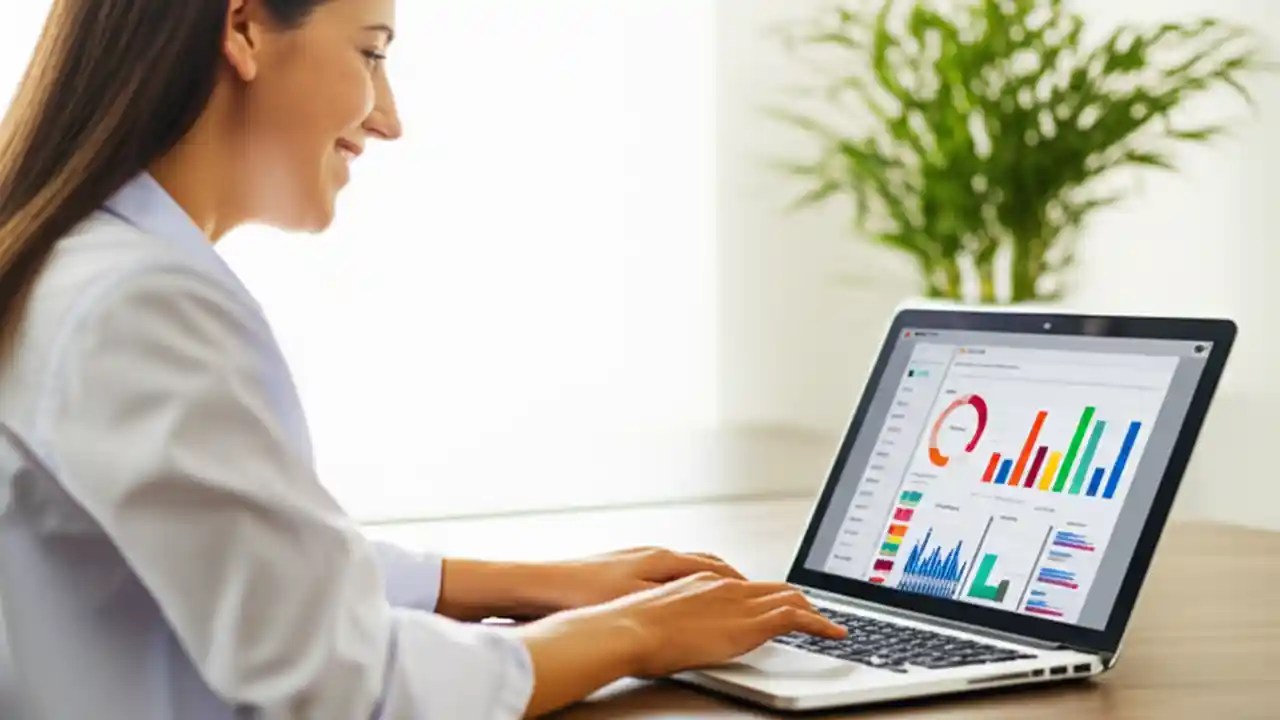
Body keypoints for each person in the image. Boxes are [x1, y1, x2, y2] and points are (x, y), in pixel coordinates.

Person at [0, 1, 847, 718]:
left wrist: (531, 584)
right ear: (246, 29)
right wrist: (643, 632)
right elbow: (337, 681)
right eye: (370, 53)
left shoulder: (78, 265)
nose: (388, 115)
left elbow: (240, 557)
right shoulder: (140, 302)